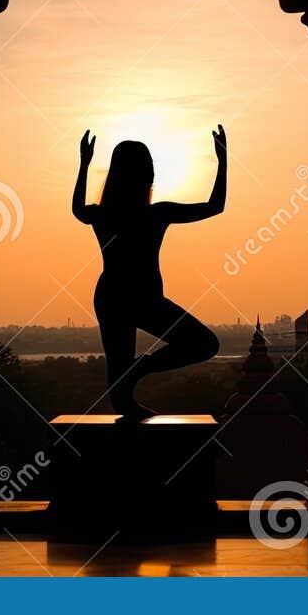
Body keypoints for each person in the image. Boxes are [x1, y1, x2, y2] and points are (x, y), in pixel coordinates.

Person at [73, 125, 225, 418]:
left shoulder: (103, 214)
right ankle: (139, 368)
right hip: (140, 299)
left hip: (114, 297)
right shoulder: (155, 213)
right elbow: (215, 206)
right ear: (148, 176)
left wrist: (84, 163)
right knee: (202, 345)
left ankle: (137, 368)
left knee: (122, 390)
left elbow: (77, 209)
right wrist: (223, 161)